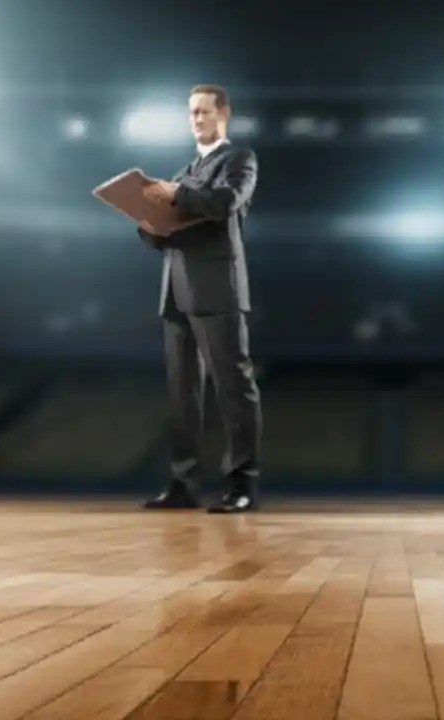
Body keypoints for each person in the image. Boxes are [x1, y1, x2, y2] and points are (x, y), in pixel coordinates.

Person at [137, 84, 261, 514]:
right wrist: (148, 221)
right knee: (182, 395)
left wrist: (173, 195)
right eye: (191, 112)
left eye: (204, 111)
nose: (196, 119)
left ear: (224, 114)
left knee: (234, 390)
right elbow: (169, 234)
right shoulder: (185, 170)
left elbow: (225, 203)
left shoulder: (239, 159)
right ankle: (183, 485)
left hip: (217, 289)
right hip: (177, 292)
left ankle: (241, 485)